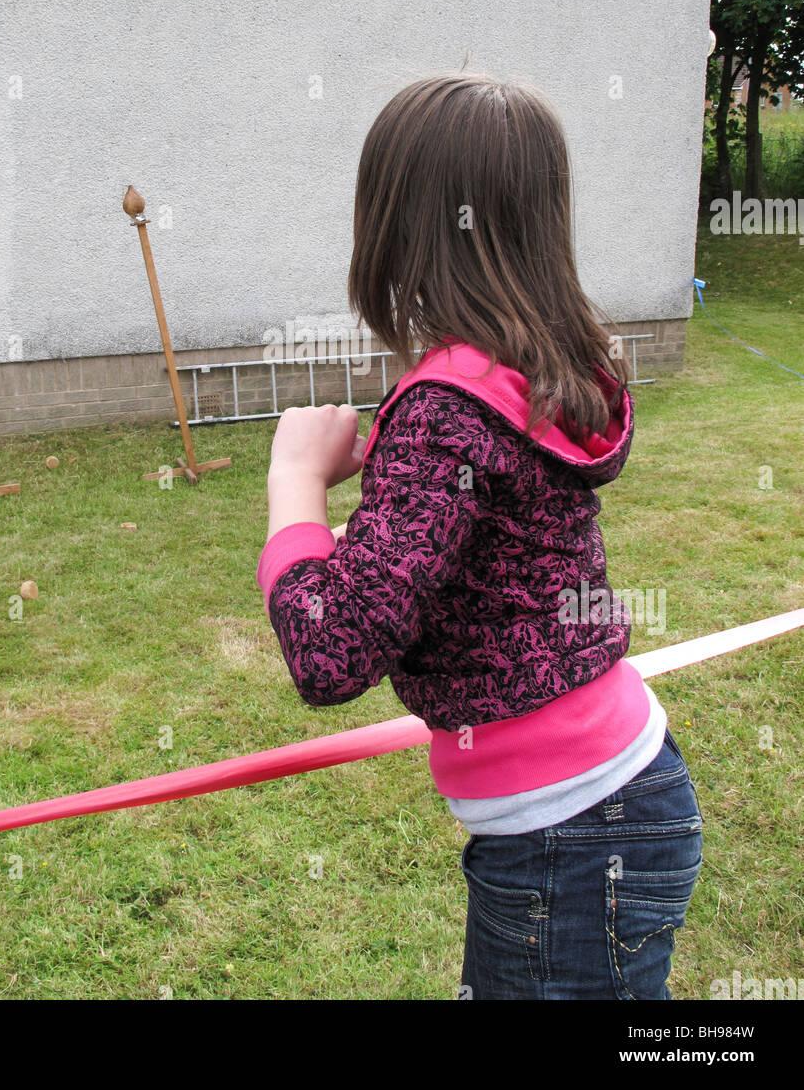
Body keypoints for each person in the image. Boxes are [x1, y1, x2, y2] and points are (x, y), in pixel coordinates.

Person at [257, 72, 703, 1000]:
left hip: (569, 842)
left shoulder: (448, 410)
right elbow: (440, 563)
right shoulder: (537, 368)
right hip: (605, 809)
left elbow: (332, 650)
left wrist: (293, 483)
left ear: (397, 223)